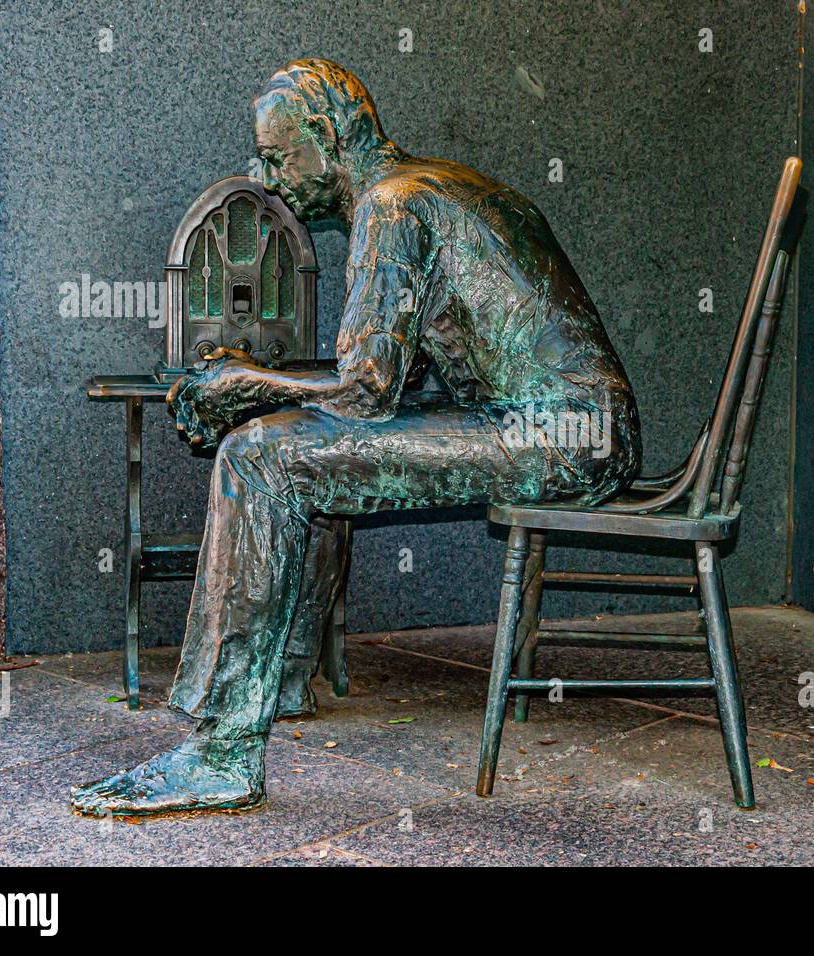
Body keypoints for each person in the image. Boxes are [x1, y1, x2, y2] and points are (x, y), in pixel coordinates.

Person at [71, 59, 640, 816]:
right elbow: (389, 381)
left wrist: (242, 384)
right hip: (583, 428)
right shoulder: (445, 184)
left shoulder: (393, 205)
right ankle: (285, 675)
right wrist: (262, 385)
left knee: (261, 455)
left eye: (279, 157)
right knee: (311, 443)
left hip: (557, 437)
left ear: (329, 137)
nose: (272, 180)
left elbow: (368, 390)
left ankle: (222, 749)